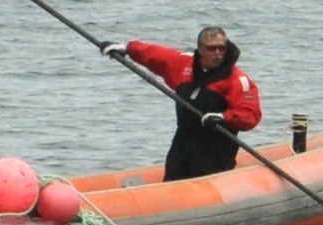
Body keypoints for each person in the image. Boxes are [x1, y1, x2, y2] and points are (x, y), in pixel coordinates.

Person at [102, 26, 262, 180]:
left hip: (216, 150)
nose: (218, 53)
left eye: (222, 48)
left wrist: (223, 117)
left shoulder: (237, 79)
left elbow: (250, 115)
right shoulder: (185, 65)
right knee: (173, 176)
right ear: (200, 49)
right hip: (183, 143)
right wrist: (128, 49)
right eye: (212, 48)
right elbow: (159, 57)